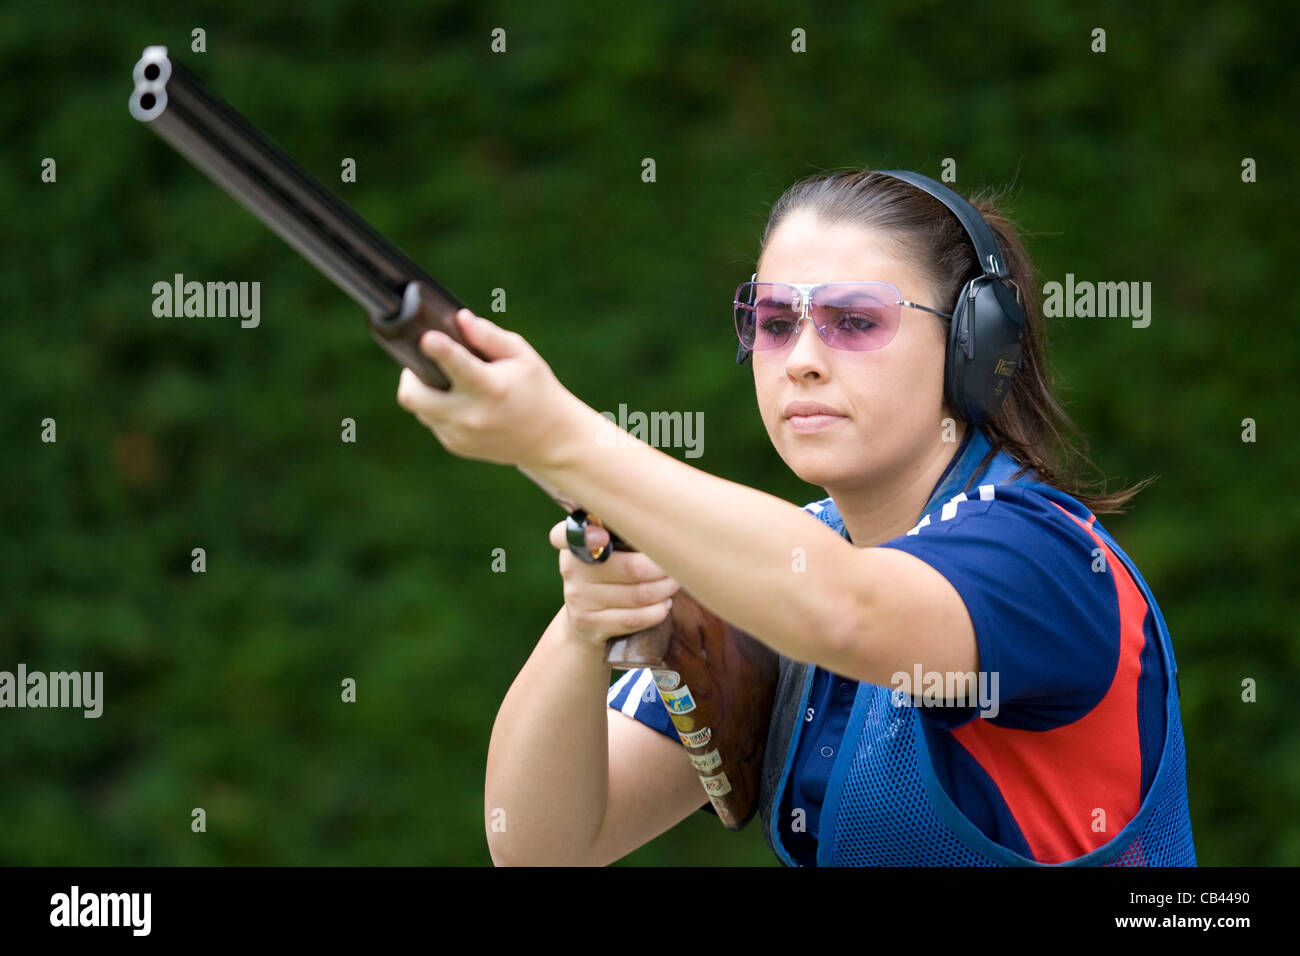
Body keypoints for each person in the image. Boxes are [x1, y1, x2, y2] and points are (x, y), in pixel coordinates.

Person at [397, 168, 1196, 867]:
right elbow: (540, 848)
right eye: (777, 322)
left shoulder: (1042, 556)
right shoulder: (780, 566)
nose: (803, 356)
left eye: (856, 321)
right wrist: (583, 627)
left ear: (971, 345)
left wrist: (561, 438)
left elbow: (844, 610)